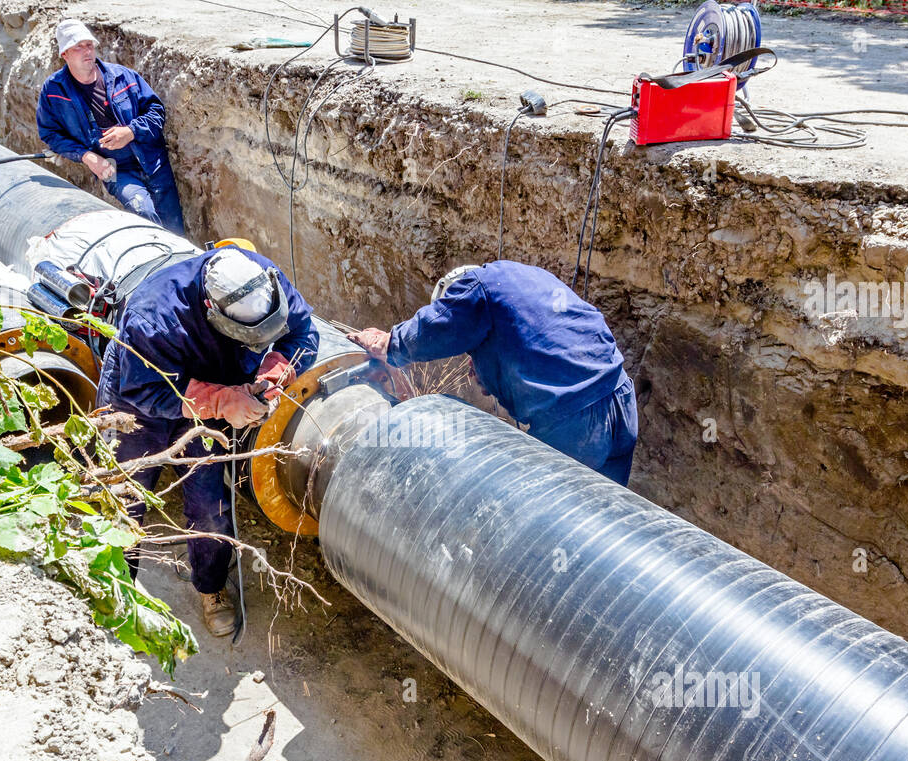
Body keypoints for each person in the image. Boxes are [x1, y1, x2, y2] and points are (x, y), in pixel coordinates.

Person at [96, 245, 318, 637]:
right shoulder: (154, 318)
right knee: (124, 496)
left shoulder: (264, 280)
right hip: (139, 398)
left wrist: (277, 367)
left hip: (212, 393)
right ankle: (114, 589)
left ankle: (211, 585)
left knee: (209, 502)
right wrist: (220, 400)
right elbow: (144, 390)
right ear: (211, 309)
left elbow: (302, 333)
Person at [348, 261, 638, 484]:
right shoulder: (523, 282)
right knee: (605, 522)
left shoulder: (476, 286)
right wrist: (489, 375)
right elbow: (536, 342)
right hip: (621, 397)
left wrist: (390, 344)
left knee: (545, 527)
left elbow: (436, 328)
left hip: (574, 417)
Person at [36, 19, 186, 235]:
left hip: (153, 162)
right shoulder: (54, 90)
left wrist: (131, 131)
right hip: (115, 168)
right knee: (143, 214)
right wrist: (86, 156)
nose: (86, 51)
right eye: (78, 46)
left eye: (89, 44)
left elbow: (156, 112)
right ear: (64, 54)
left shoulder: (123, 77)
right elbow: (49, 133)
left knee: (174, 229)